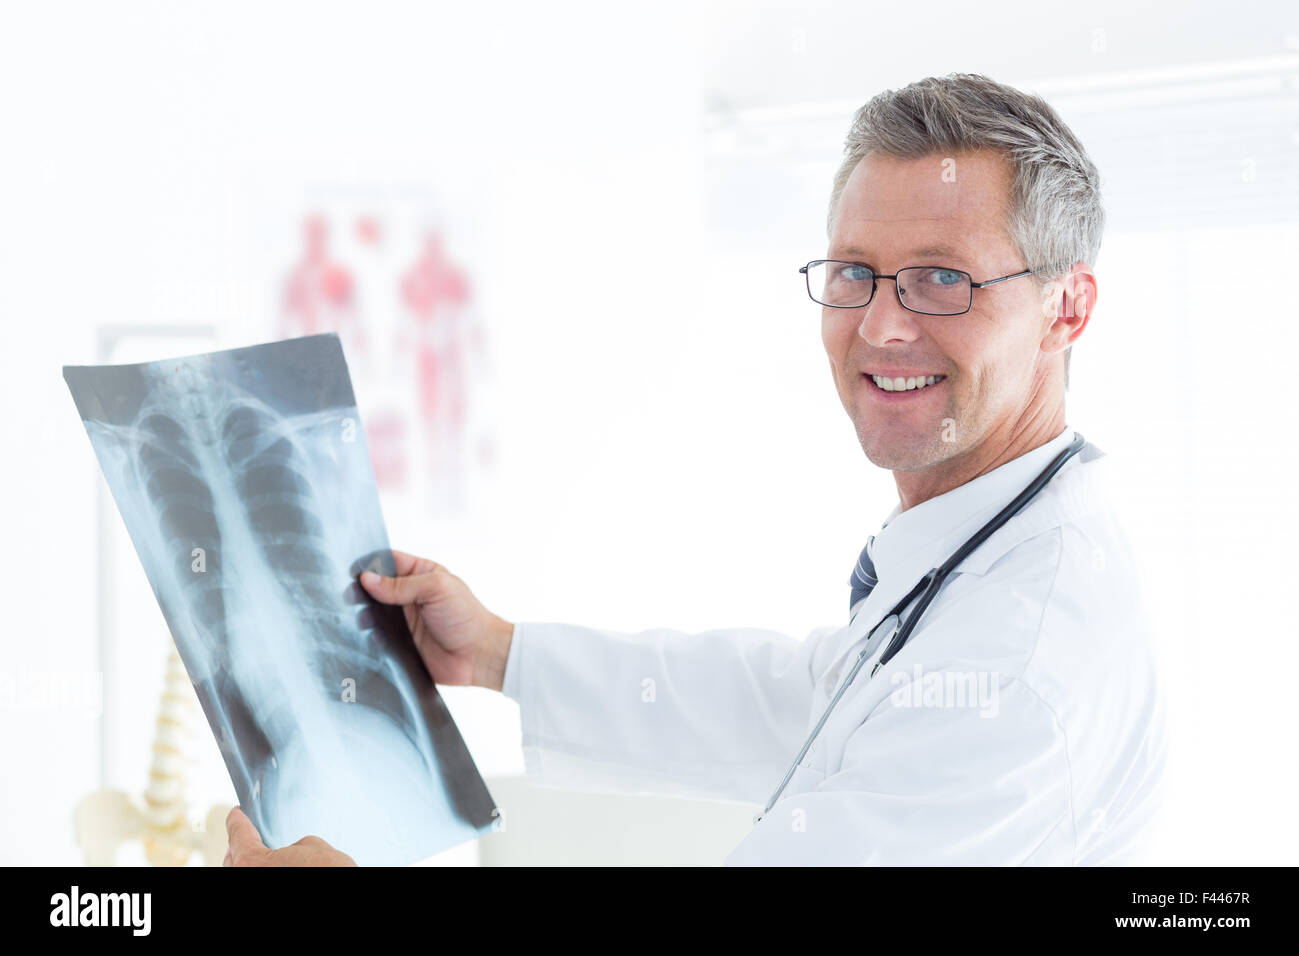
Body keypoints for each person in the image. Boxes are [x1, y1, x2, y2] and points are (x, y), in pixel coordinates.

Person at [226, 72, 1167, 867]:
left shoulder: (1014, 663)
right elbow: (804, 702)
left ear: (1066, 310)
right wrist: (501, 654)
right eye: (853, 273)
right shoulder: (984, 552)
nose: (883, 326)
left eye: (942, 278)